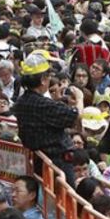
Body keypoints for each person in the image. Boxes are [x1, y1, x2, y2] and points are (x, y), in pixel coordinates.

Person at [13, 51, 83, 184]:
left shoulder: (22, 101)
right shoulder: (43, 104)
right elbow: (75, 115)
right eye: (48, 76)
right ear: (43, 79)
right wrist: (80, 99)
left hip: (42, 159)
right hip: (56, 161)